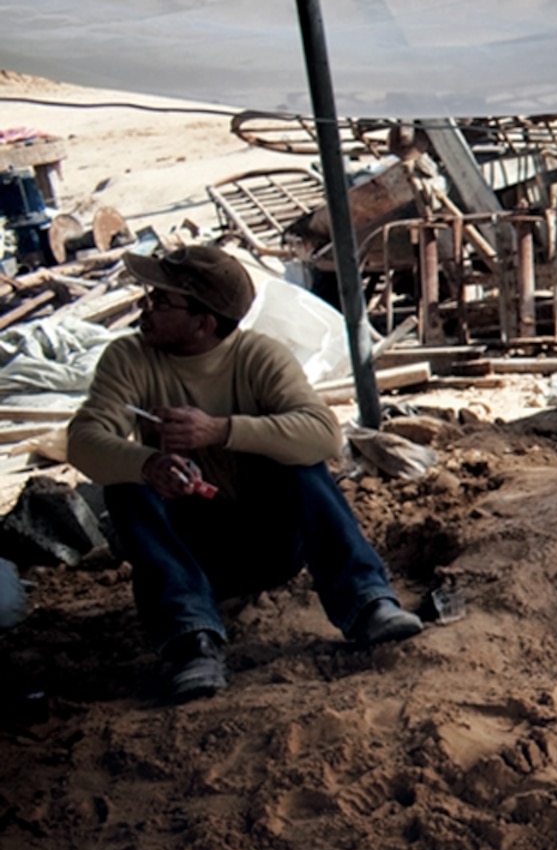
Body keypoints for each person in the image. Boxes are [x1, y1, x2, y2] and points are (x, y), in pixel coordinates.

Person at [64, 245, 422, 703]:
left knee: (302, 463)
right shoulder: (128, 358)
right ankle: (190, 640)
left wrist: (220, 430)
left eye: (160, 300)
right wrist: (148, 464)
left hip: (270, 541)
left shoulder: (258, 356)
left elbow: (324, 435)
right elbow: (83, 439)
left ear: (204, 322)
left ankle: (367, 602)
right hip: (191, 547)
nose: (144, 308)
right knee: (128, 488)